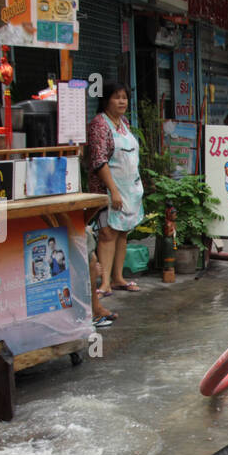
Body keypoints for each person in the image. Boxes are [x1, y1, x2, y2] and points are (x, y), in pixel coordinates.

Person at [86, 82, 143, 295]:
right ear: (106, 100)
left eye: (124, 97)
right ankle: (105, 283)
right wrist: (114, 191)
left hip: (129, 189)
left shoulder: (124, 123)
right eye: (116, 97)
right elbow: (99, 161)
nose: (121, 101)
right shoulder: (99, 125)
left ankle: (119, 278)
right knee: (107, 233)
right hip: (107, 190)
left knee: (122, 233)